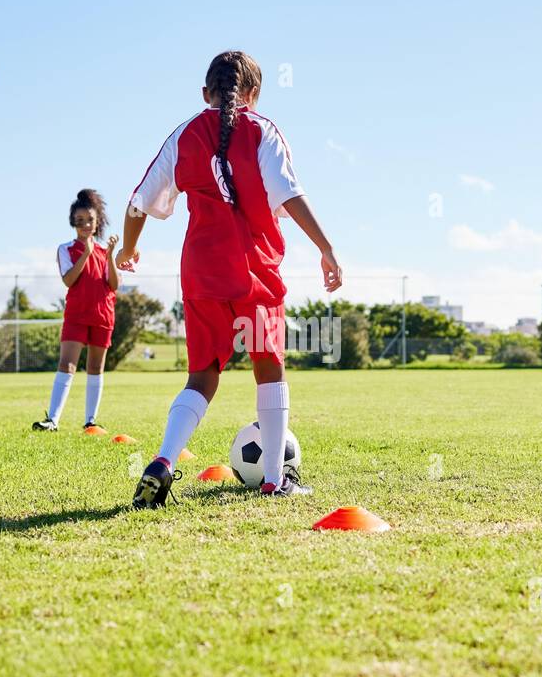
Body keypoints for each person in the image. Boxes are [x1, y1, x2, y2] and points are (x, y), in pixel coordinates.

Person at [118, 51, 342, 507]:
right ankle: (276, 479)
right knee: (269, 367)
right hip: (253, 271)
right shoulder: (263, 131)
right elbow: (290, 193)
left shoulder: (184, 135)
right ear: (255, 94)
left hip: (200, 274)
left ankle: (163, 460)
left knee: (201, 374)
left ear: (205, 93)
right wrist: (325, 247)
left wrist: (128, 247)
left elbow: (139, 202)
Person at [32, 188, 119, 433]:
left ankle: (90, 421)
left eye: (89, 220)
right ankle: (53, 420)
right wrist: (87, 254)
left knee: (95, 369)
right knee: (67, 365)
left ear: (97, 221)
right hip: (76, 316)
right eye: (80, 221)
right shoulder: (65, 249)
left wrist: (110, 256)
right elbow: (68, 280)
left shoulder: (105, 252)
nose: (85, 225)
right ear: (73, 222)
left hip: (103, 316)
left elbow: (114, 285)